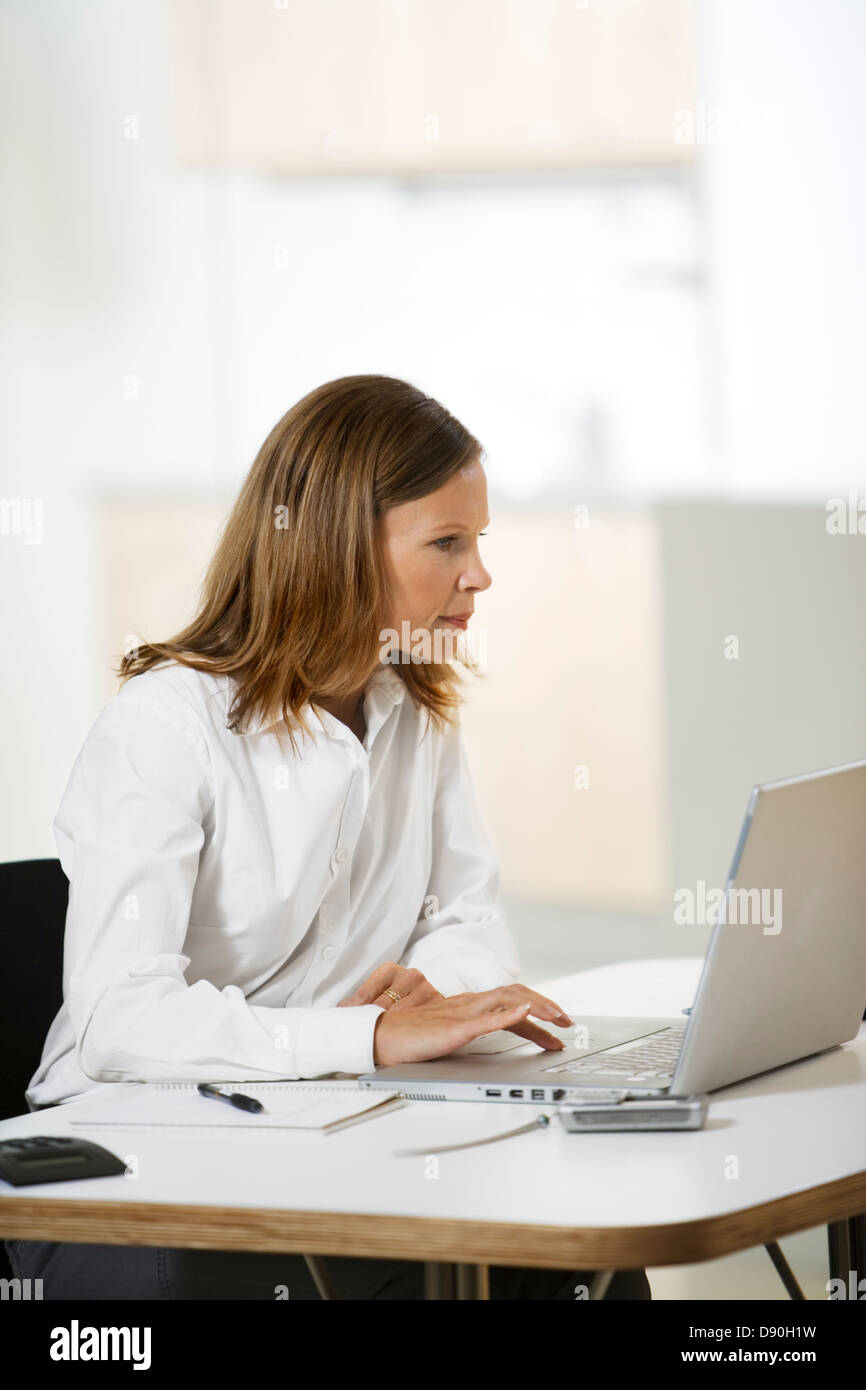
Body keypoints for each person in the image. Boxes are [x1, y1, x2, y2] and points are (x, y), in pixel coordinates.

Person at [7, 375, 650, 1301]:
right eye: (447, 542)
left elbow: (466, 919)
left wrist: (440, 996)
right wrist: (367, 1035)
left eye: (479, 541)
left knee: (577, 1249)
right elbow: (120, 1018)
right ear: (340, 549)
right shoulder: (166, 728)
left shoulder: (415, 714)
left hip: (334, 1125)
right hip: (132, 1158)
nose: (480, 575)